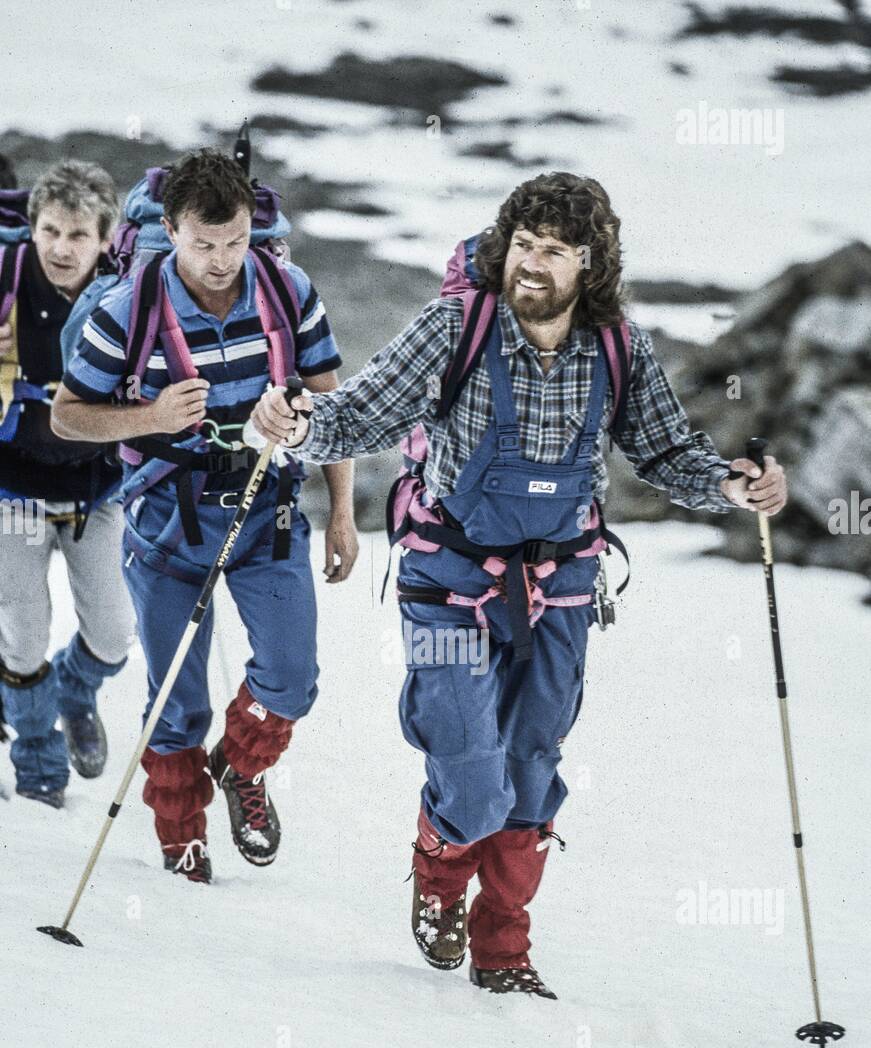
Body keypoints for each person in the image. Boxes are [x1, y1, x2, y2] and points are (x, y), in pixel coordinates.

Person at [252, 171, 788, 998]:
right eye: (524, 246)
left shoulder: (618, 346)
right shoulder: (453, 327)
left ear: (590, 262)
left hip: (561, 582)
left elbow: (663, 451)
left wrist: (728, 485)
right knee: (470, 770)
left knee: (533, 767)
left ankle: (502, 947)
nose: (533, 265)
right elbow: (361, 414)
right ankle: (438, 883)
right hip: (445, 578)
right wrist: (292, 426)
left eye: (556, 251)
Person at [53, 148, 358, 883]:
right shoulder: (128, 309)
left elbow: (328, 396)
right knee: (176, 703)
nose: (222, 261)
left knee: (291, 679)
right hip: (165, 524)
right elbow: (66, 418)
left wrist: (344, 510)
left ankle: (240, 768)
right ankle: (180, 839)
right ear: (171, 230)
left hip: (269, 515)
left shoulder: (286, 289)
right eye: (202, 244)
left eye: (234, 241)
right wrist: (150, 414)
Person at [0, 159, 134, 808]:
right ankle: (37, 760)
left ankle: (76, 694)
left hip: (96, 487)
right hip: (11, 489)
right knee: (22, 634)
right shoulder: (4, 279)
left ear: (107, 238)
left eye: (78, 235)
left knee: (113, 633)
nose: (61, 247)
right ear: (32, 227)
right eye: (50, 230)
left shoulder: (127, 298)